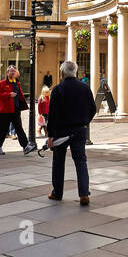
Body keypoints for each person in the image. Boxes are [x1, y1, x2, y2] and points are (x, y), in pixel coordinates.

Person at [47, 59, 96, 205]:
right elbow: (93, 108)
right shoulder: (85, 88)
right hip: (79, 130)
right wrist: (84, 121)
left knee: (58, 162)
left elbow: (52, 114)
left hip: (61, 131)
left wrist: (51, 135)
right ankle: (84, 193)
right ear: (76, 72)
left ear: (62, 73)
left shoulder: (58, 89)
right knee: (81, 161)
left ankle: (57, 193)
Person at [0, 66, 34, 155]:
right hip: (5, 110)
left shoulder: (16, 83)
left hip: (15, 110)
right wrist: (8, 94)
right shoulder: (2, 83)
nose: (12, 73)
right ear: (7, 72)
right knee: (3, 129)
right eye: (11, 71)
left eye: (14, 71)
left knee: (19, 128)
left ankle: (26, 147)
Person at [37, 83, 52, 150]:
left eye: (48, 92)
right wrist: (40, 113)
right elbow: (39, 107)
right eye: (46, 92)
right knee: (44, 123)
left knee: (46, 123)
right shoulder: (41, 98)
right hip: (43, 113)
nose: (47, 93)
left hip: (48, 113)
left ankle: (40, 130)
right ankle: (46, 132)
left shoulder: (49, 98)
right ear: (43, 92)